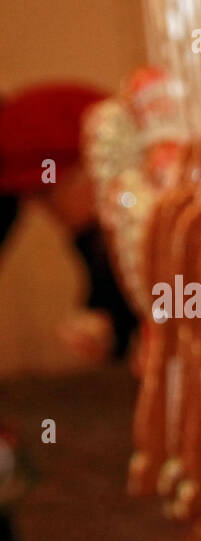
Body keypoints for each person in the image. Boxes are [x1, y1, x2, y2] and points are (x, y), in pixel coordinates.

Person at [0, 82, 138, 363]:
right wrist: (106, 329)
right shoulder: (93, 234)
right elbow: (110, 298)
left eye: (45, 192)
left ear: (90, 168)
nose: (42, 210)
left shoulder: (143, 220)